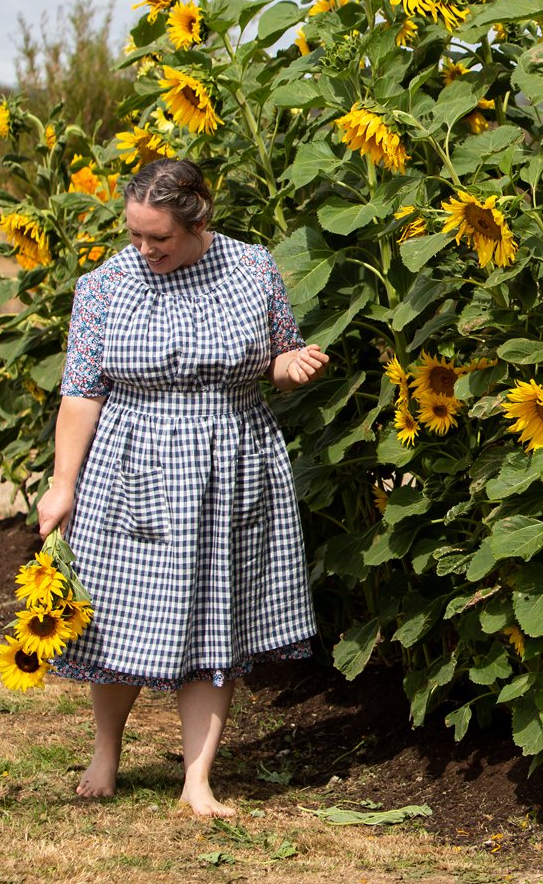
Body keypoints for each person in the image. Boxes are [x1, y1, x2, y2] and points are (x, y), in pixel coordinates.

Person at [36, 158, 329, 816]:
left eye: (157, 238)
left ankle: (197, 781)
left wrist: (292, 364)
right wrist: (62, 487)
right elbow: (81, 393)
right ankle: (106, 751)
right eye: (135, 235)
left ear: (198, 221)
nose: (143, 249)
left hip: (230, 464)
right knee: (117, 617)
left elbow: (277, 353)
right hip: (131, 464)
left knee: (213, 623)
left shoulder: (252, 268)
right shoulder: (105, 283)